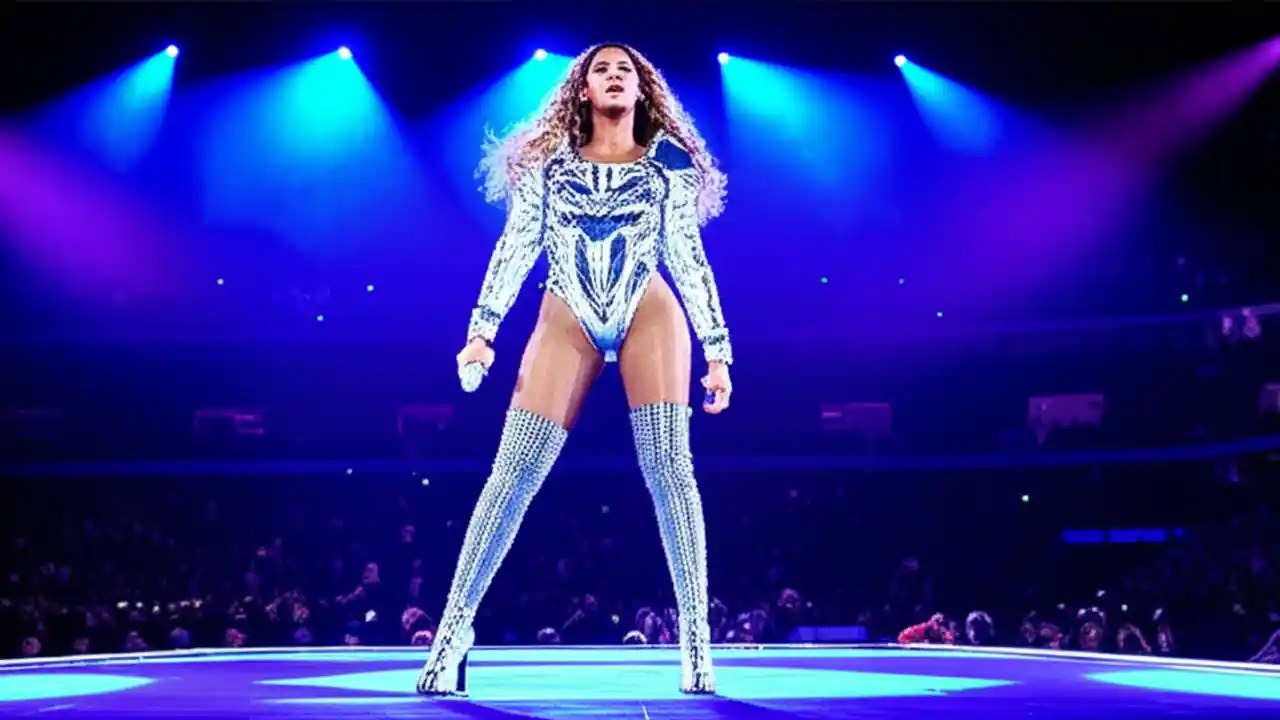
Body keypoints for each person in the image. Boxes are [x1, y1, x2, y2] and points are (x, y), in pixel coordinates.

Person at [416, 42, 732, 696]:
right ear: (583, 90)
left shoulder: (667, 162)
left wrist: (718, 349)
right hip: (567, 308)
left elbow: (686, 253)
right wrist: (482, 331)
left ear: (643, 91)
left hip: (647, 305)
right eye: (602, 69)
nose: (615, 76)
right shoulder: (547, 165)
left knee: (670, 469)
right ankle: (452, 633)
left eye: (627, 70)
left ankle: (697, 641)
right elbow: (517, 245)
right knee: (513, 473)